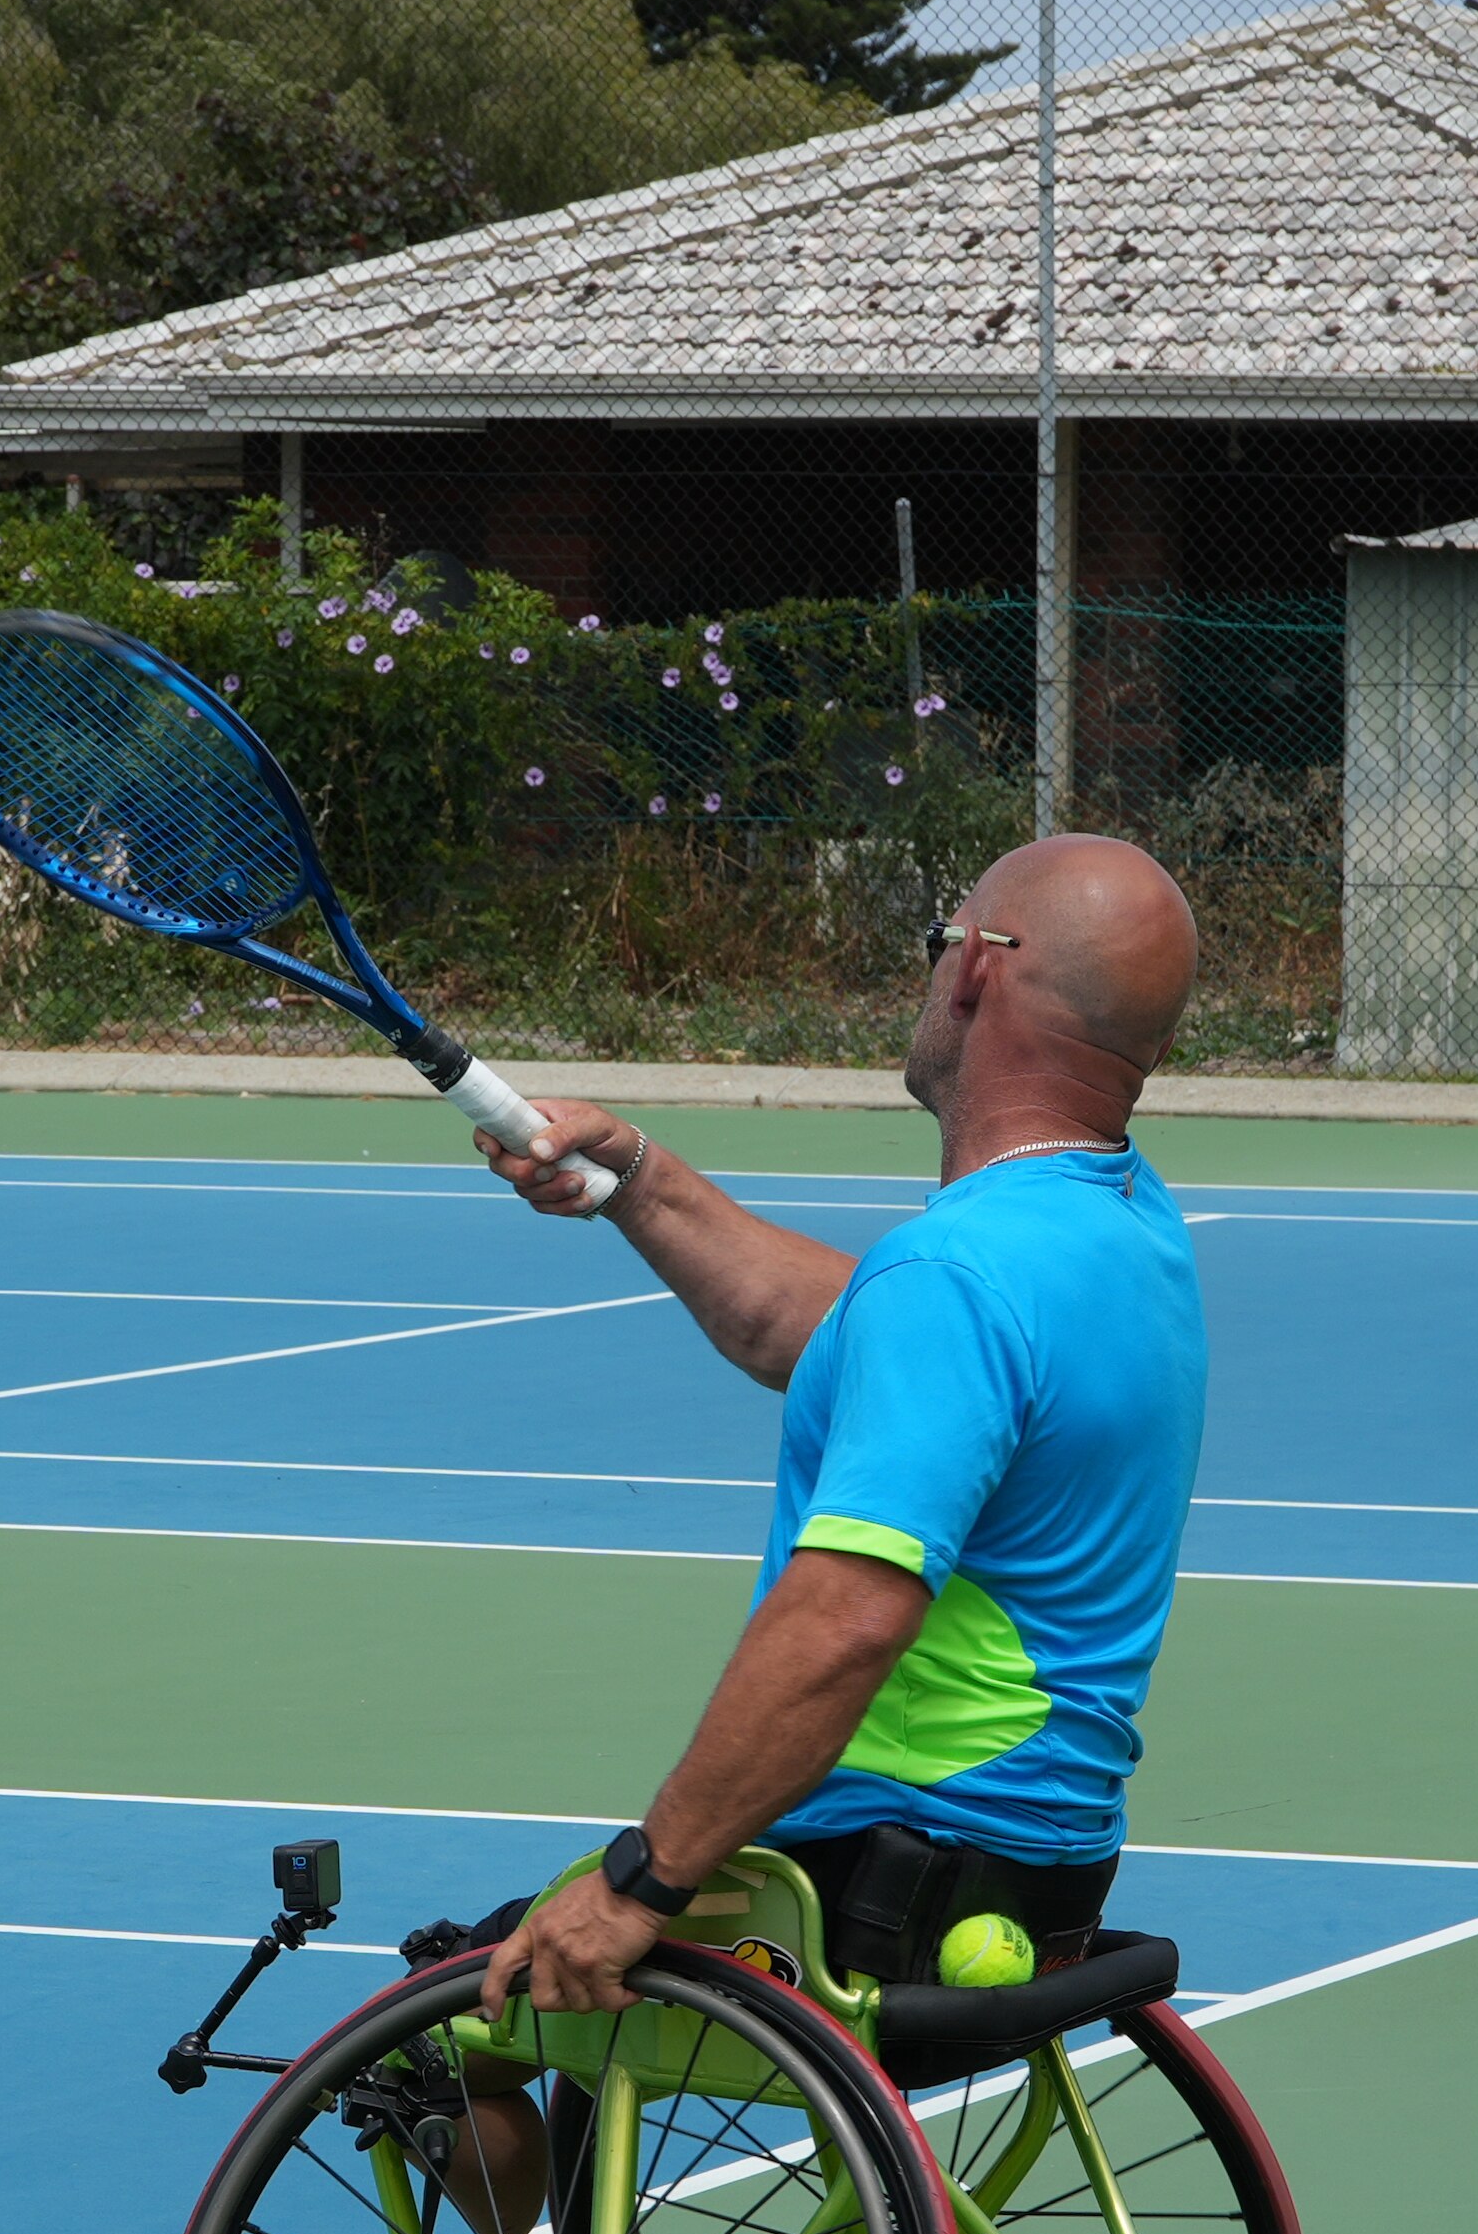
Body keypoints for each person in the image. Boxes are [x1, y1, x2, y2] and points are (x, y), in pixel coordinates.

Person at [457, 831, 1208, 2105]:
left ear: (977, 967)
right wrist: (636, 1176)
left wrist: (641, 1880)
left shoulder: (952, 1275)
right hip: (1040, 1874)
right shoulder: (1118, 1231)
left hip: (869, 1874)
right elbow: (811, 1328)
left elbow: (845, 1622)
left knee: (453, 2019)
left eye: (935, 941)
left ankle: (523, 2233)